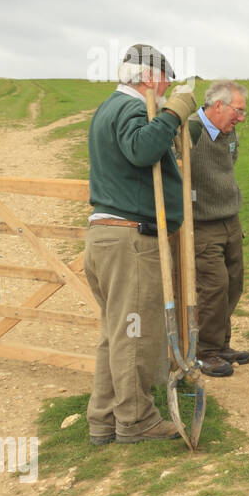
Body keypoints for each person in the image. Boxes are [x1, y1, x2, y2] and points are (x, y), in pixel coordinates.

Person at [84, 44, 196, 444]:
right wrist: (174, 111)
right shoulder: (134, 107)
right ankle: (135, 420)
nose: (167, 87)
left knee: (116, 334)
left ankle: (103, 418)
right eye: (165, 80)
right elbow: (142, 149)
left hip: (106, 237)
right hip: (129, 240)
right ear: (149, 77)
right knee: (135, 334)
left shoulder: (107, 107)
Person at [187, 79, 249, 377]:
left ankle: (221, 344)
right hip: (201, 223)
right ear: (217, 106)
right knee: (213, 286)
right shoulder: (189, 131)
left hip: (229, 219)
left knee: (234, 282)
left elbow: (230, 162)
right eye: (237, 111)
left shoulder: (229, 132)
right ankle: (205, 351)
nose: (241, 118)